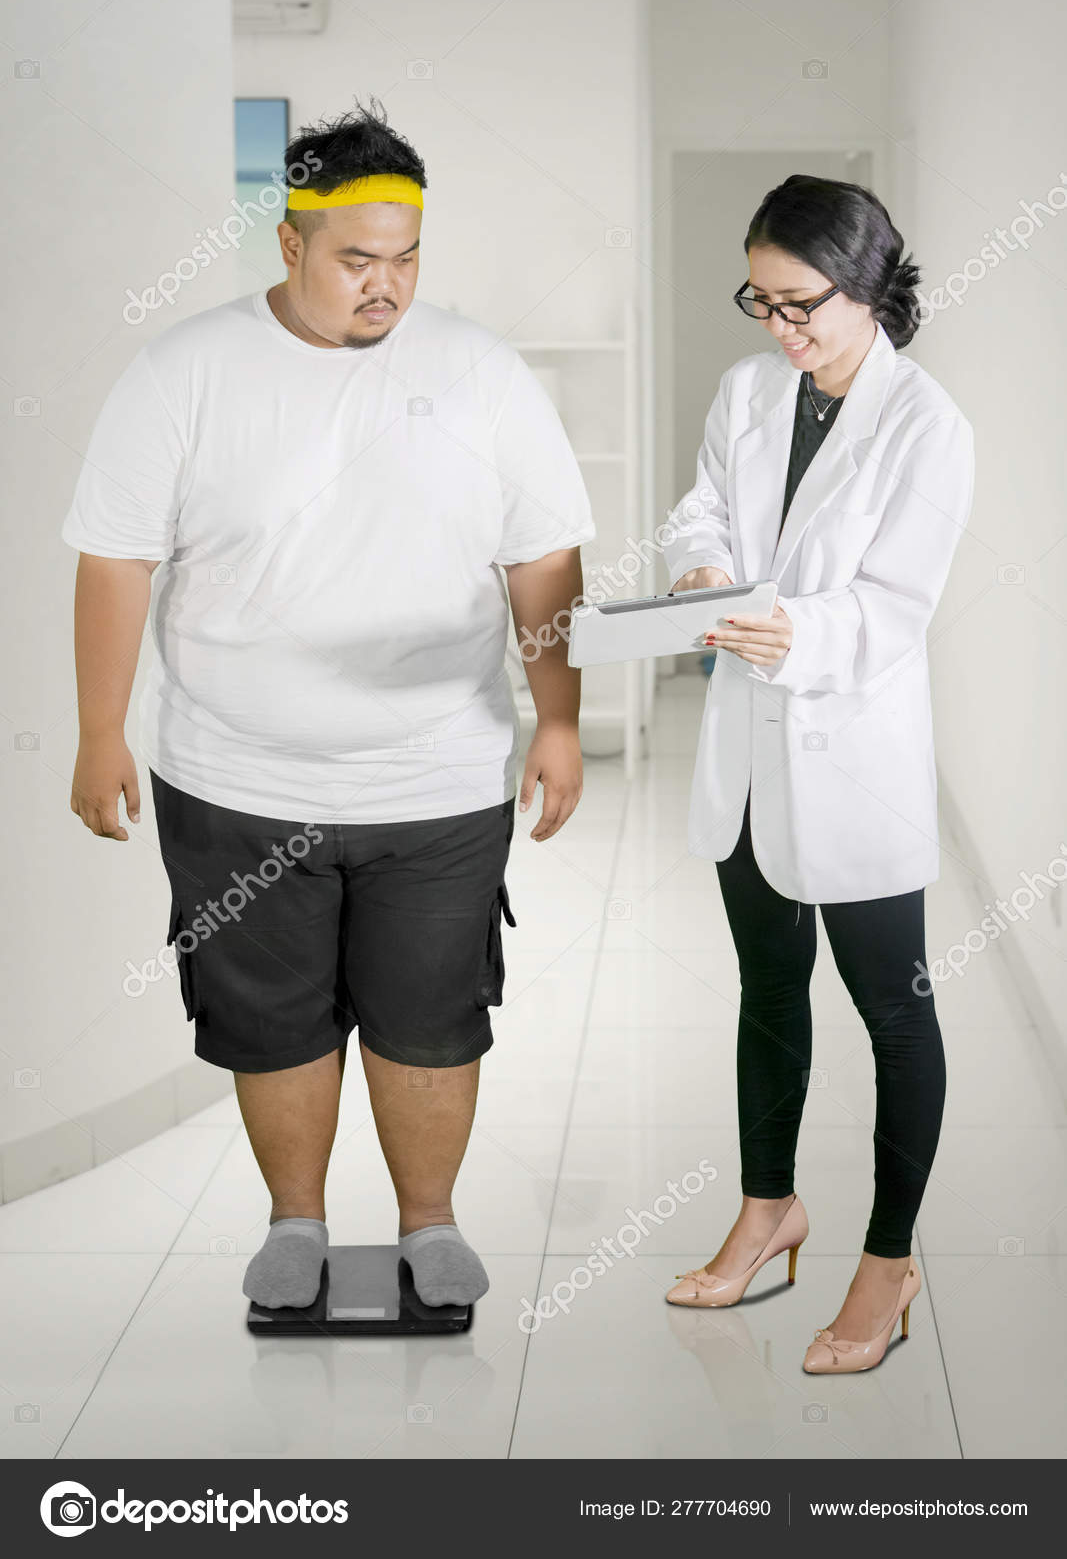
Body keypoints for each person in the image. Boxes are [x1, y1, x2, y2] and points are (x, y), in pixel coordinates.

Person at [61, 99, 595, 1313]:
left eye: (407, 258)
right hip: (235, 775)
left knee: (431, 1012)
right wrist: (99, 730)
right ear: (289, 241)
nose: (386, 287)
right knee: (270, 1015)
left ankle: (431, 1222)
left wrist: (556, 716)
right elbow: (113, 558)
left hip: (437, 775)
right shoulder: (185, 370)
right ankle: (293, 1220)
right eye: (358, 259)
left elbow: (543, 560)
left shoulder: (480, 372)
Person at [661, 175, 974, 1374]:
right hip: (748, 756)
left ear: (867, 287)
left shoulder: (924, 425)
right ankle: (767, 1208)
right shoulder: (750, 389)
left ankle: (886, 1263)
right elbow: (699, 513)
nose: (777, 328)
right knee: (766, 988)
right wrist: (696, 574)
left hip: (855, 761)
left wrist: (797, 631)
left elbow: (894, 604)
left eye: (799, 304)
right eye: (760, 299)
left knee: (893, 1009)